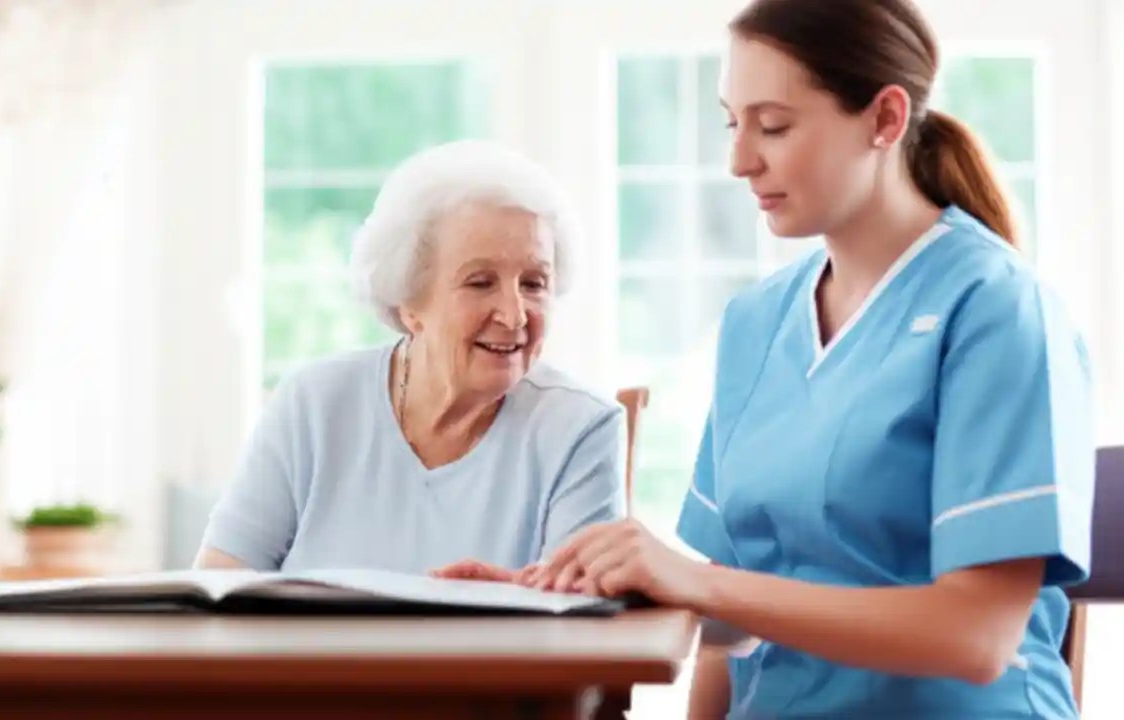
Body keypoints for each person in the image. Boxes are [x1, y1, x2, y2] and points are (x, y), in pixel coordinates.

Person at [520, 1, 1095, 717]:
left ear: (886, 119)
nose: (739, 161)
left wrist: (699, 584)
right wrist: (558, 594)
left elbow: (976, 637)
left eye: (773, 126)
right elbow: (731, 627)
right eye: (732, 124)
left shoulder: (996, 310)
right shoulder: (755, 323)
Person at [194, 140, 626, 577]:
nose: (514, 315)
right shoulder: (311, 405)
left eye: (533, 283)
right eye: (480, 282)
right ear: (409, 304)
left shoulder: (580, 428)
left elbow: (573, 607)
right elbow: (221, 577)